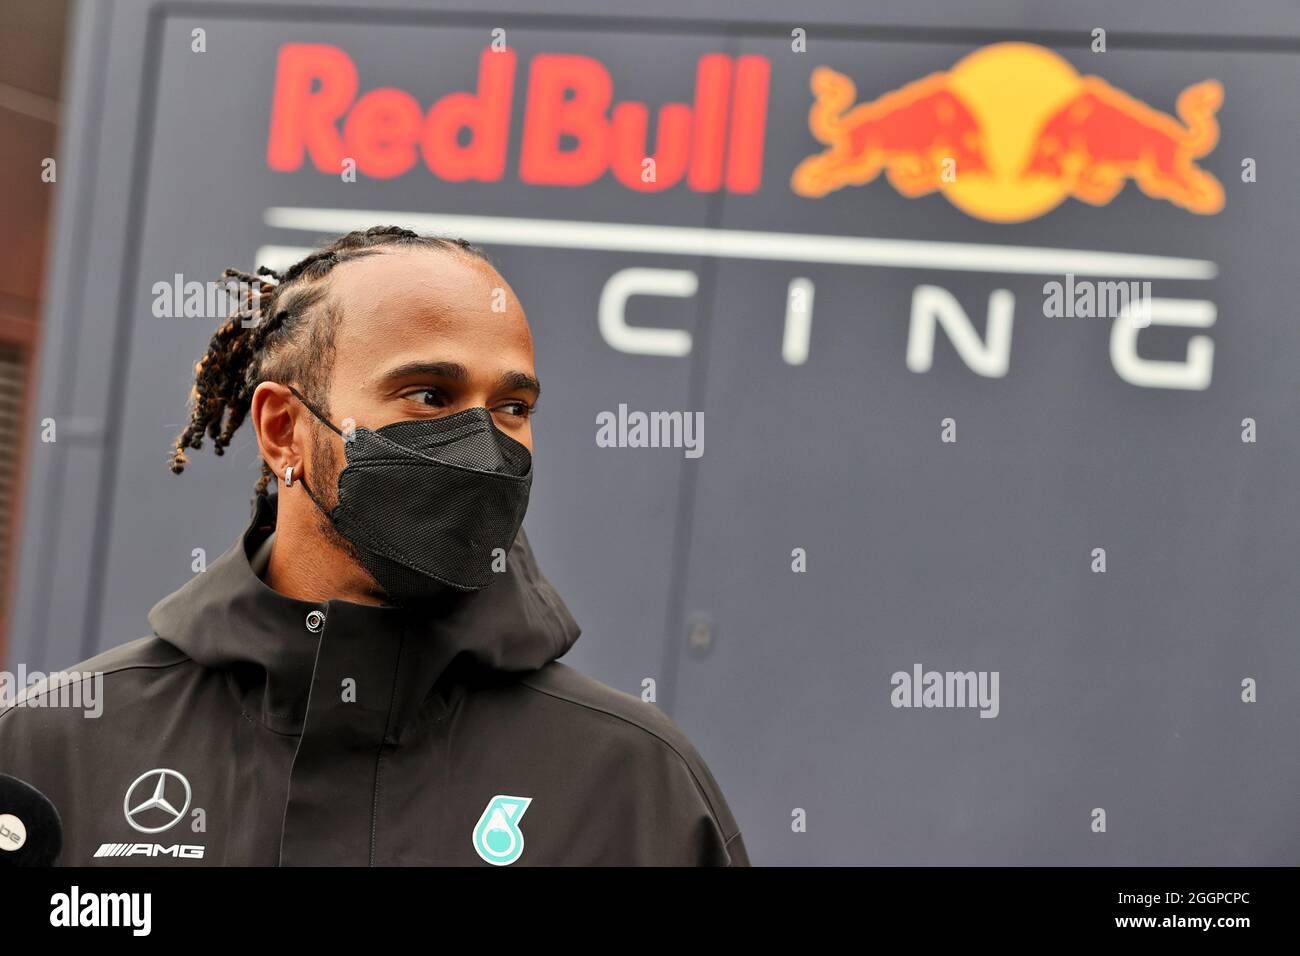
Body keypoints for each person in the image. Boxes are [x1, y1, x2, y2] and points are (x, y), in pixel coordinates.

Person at [0, 226, 749, 866]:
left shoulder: (635, 784)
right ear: (283, 430)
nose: (482, 446)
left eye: (512, 407)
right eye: (429, 396)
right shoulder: (59, 749)